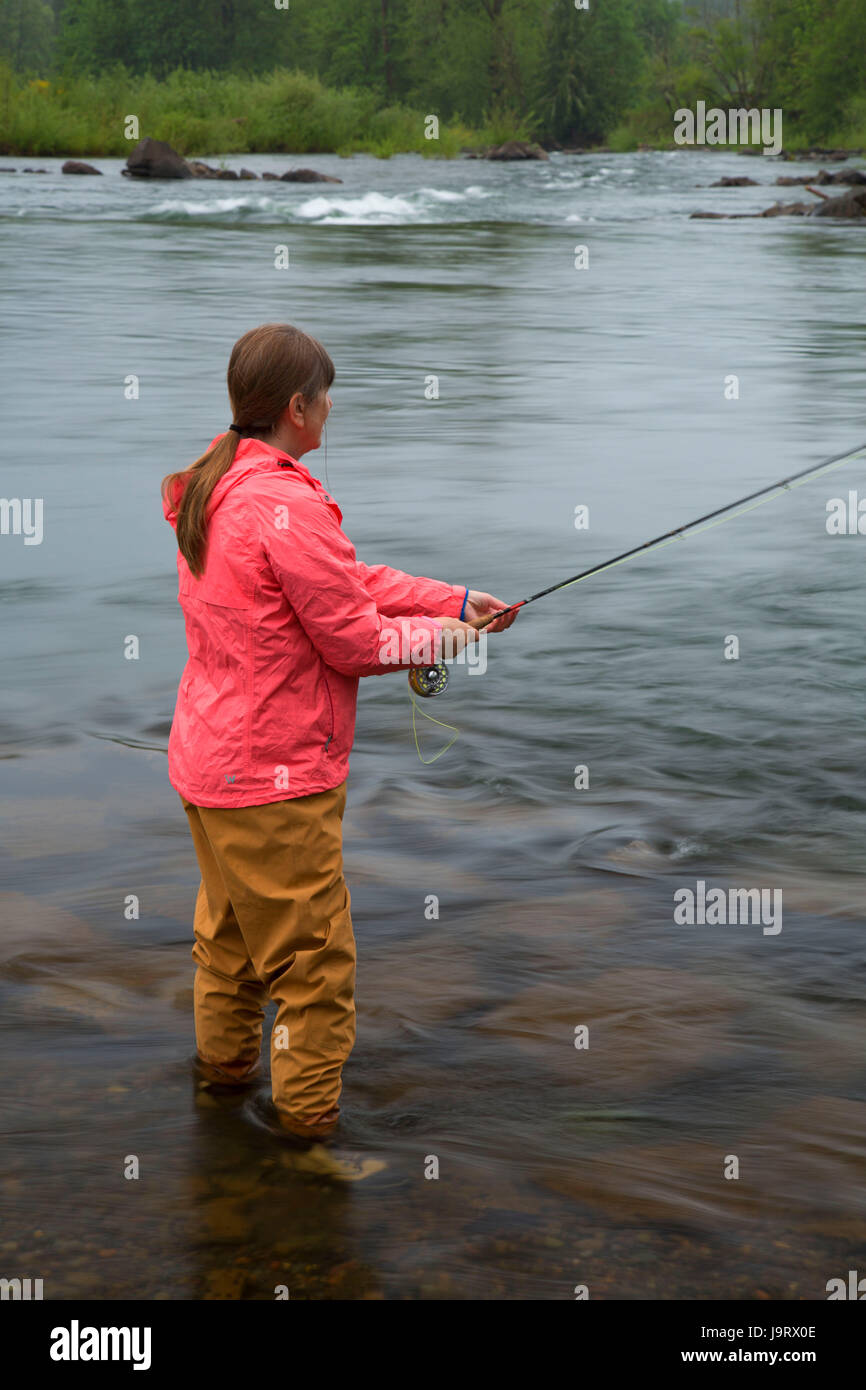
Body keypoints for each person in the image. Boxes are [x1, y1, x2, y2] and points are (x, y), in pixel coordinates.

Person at [162, 322, 516, 1144]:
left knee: (229, 948)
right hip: (276, 780)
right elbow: (353, 641)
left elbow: (344, 583)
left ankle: (222, 1093)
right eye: (326, 399)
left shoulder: (218, 481)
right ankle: (307, 1141)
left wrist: (452, 601)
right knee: (313, 972)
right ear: (298, 406)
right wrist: (441, 641)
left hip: (209, 766)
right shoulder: (282, 502)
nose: (330, 412)